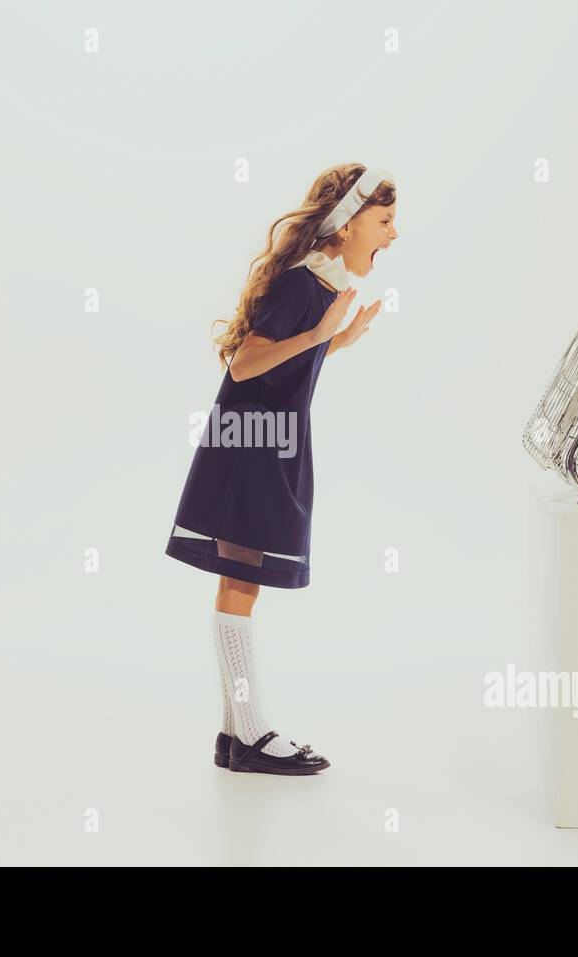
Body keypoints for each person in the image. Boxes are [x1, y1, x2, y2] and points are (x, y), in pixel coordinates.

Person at [164, 164, 398, 774]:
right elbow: (244, 365)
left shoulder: (319, 286)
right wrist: (320, 332)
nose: (393, 235)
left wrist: (334, 342)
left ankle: (234, 735)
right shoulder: (304, 286)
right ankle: (249, 735)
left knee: (243, 583)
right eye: (384, 221)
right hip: (251, 448)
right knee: (242, 583)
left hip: (269, 443)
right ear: (347, 226)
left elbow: (282, 361)